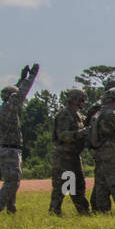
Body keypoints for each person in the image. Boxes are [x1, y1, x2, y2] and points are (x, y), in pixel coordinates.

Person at [0, 63, 38, 215]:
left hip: (8, 148)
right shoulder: (8, 109)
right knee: (12, 182)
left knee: (12, 181)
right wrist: (31, 76)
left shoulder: (3, 109)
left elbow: (15, 94)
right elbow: (20, 94)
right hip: (10, 149)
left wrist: (20, 79)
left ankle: (11, 211)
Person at [49, 88, 90, 216]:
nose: (83, 103)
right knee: (62, 187)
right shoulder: (64, 115)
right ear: (75, 100)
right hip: (64, 157)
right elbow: (63, 135)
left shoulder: (78, 116)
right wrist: (81, 133)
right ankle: (54, 212)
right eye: (82, 100)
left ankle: (83, 211)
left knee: (78, 186)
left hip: (74, 156)